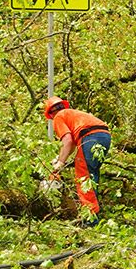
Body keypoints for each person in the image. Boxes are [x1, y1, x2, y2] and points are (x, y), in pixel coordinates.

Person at [43, 96, 111, 225]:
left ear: (50, 114)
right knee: (92, 174)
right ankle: (94, 213)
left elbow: (67, 141)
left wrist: (60, 163)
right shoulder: (72, 114)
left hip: (90, 137)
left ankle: (90, 219)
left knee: (83, 177)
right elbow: (72, 144)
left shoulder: (58, 117)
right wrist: (60, 158)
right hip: (104, 136)